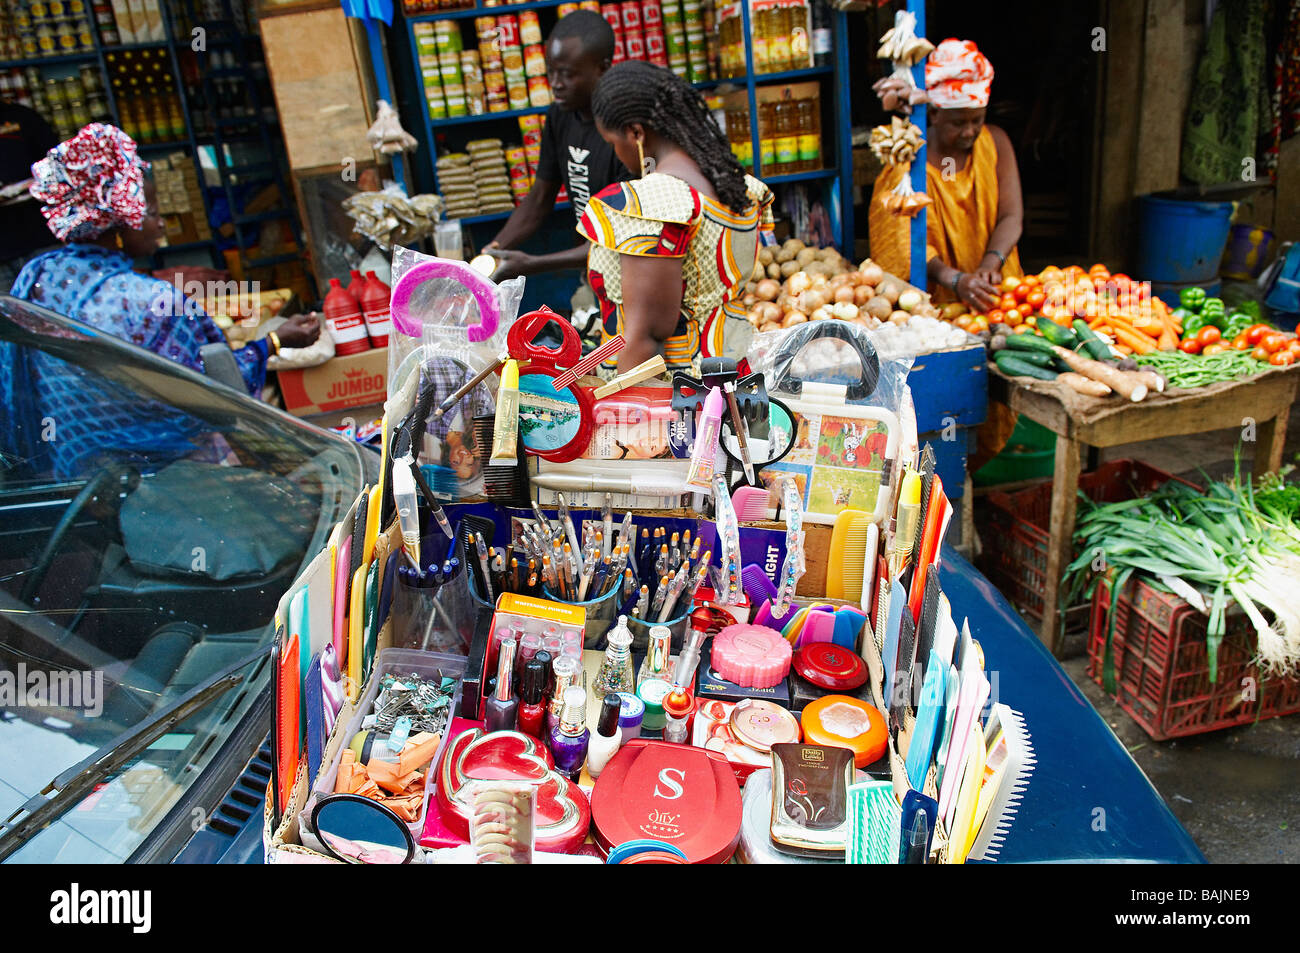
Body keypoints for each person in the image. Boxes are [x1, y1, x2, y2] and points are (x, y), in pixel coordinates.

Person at [11, 123, 320, 397]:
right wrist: (274, 342)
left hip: (71, 451)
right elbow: (212, 389)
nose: (161, 224)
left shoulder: (38, 274)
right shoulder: (153, 301)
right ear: (119, 221)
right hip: (151, 450)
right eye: (153, 213)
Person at [580, 61, 774, 373]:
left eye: (612, 143)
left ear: (635, 132)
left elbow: (646, 339)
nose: (616, 153)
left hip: (677, 400)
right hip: (732, 379)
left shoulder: (651, 205)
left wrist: (622, 416)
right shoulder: (741, 189)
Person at [869, 38, 1023, 312]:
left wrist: (989, 266)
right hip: (938, 307)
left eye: (977, 120)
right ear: (934, 113)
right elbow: (901, 244)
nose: (969, 131)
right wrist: (954, 280)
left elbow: (1011, 217)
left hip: (998, 296)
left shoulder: (995, 143)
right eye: (958, 122)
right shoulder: (908, 163)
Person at [485, 10, 629, 281]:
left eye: (567, 74)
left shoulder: (626, 134)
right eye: (550, 71)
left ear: (603, 68)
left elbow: (619, 242)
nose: (555, 84)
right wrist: (494, 250)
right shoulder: (559, 116)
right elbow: (540, 196)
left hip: (631, 278)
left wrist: (529, 263)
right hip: (592, 275)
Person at [0, 103, 59, 290]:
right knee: (8, 318)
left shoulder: (22, 117)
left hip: (41, 241)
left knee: (55, 312)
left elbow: (57, 166)